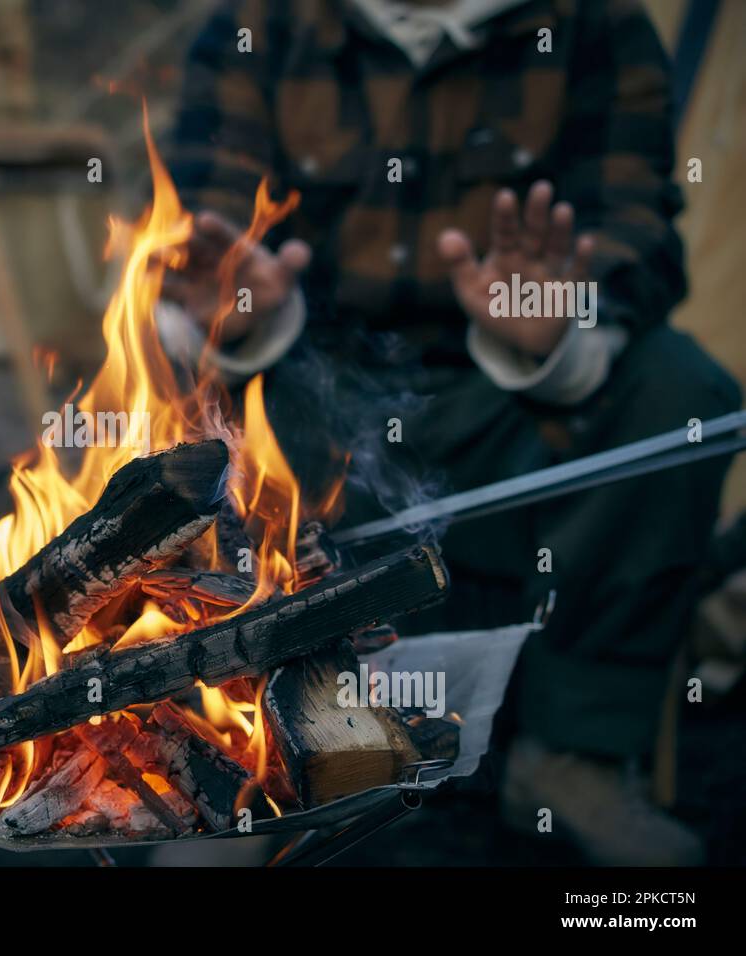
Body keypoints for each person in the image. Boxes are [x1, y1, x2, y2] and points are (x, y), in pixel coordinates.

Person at [159, 0, 740, 864]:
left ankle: (572, 752)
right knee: (199, 406)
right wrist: (239, 309)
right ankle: (250, 765)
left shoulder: (596, 25)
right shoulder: (261, 23)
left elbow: (640, 234)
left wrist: (555, 326)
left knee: (681, 392)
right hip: (316, 391)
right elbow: (200, 229)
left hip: (510, 395)